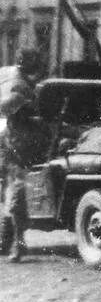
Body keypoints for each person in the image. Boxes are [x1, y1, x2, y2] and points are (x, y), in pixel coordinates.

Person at [0, 85, 50, 262]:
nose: (15, 117)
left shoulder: (37, 125)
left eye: (18, 113)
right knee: (13, 206)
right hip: (15, 173)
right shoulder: (5, 133)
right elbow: (3, 155)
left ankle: (17, 244)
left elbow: (50, 140)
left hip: (37, 168)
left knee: (15, 205)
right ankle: (16, 243)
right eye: (11, 114)